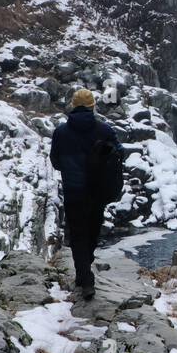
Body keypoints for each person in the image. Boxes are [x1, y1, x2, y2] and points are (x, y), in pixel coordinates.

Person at [48, 88, 119, 301]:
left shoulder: (61, 132)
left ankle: (84, 278)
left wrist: (72, 169)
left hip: (73, 192)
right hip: (97, 191)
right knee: (92, 231)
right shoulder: (104, 130)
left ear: (73, 105)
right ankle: (85, 272)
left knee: (78, 234)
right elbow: (119, 152)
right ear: (92, 106)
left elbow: (55, 161)